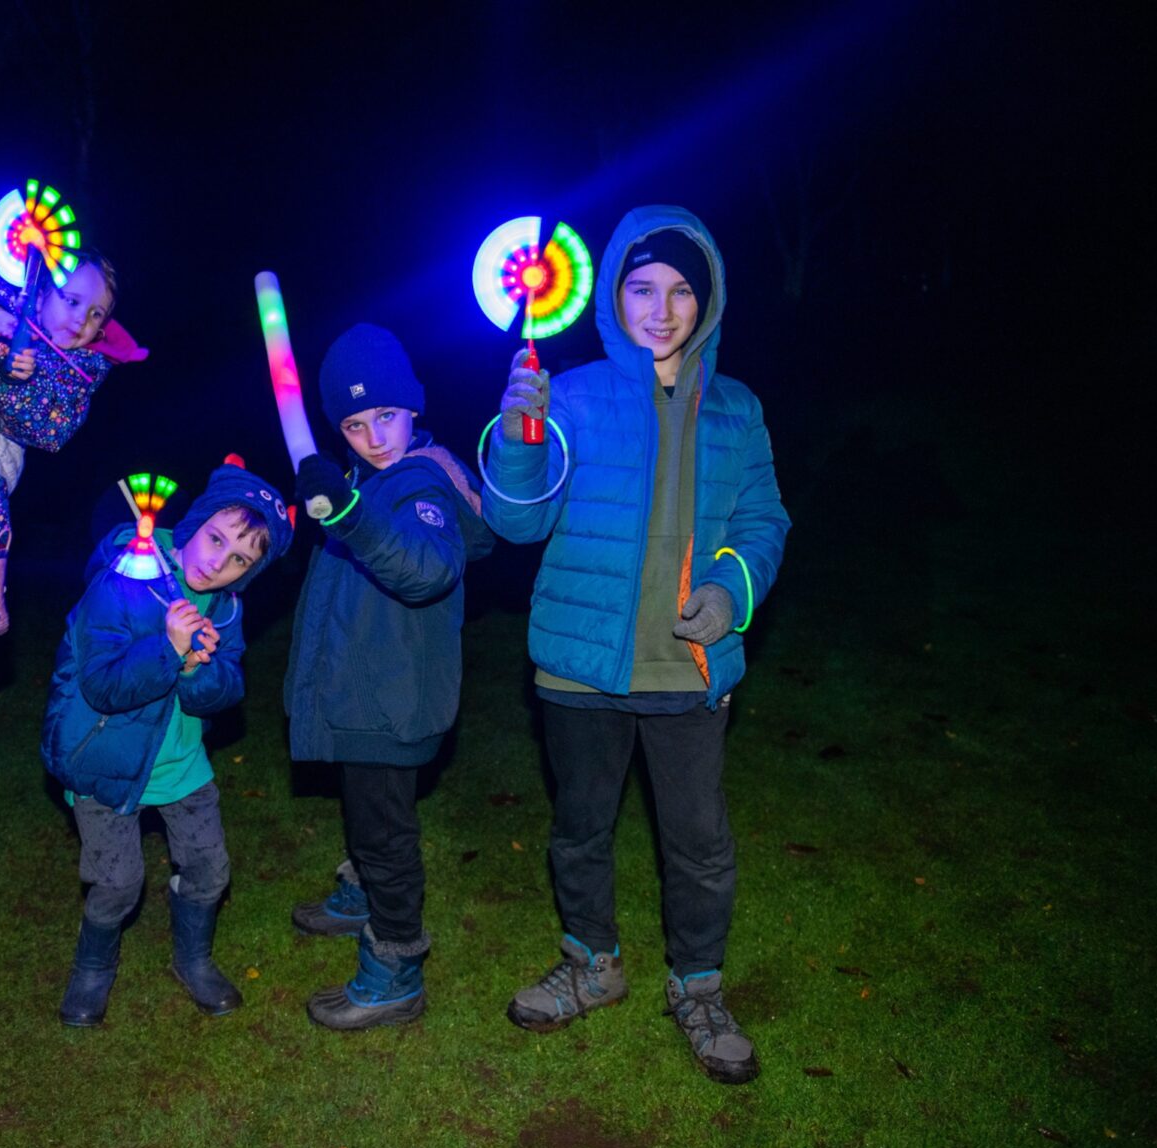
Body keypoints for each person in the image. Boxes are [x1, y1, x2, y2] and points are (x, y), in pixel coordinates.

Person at [481, 206, 789, 1084]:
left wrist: (731, 591)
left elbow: (766, 519)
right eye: (643, 288)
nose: (663, 308)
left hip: (686, 670)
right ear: (613, 293)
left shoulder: (736, 409)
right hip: (579, 664)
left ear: (710, 299)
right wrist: (516, 436)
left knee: (697, 840)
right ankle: (592, 962)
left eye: (683, 289)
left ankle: (697, 985)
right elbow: (516, 522)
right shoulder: (568, 394)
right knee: (580, 829)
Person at [285, 324, 494, 1030]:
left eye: (386, 416)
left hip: (391, 701)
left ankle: (396, 963)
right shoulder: (370, 479)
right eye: (354, 423)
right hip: (361, 695)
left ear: (415, 406)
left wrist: (349, 514)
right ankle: (361, 893)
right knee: (364, 814)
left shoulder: (418, 487)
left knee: (385, 832)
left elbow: (425, 569)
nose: (374, 435)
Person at [43, 458, 293, 1027]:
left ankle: (194, 960)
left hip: (182, 766)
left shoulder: (227, 610)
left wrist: (196, 668)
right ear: (196, 523)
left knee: (210, 868)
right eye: (214, 539)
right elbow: (103, 685)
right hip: (108, 761)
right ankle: (92, 970)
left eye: (240, 560)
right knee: (117, 881)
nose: (218, 563)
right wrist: (169, 649)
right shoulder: (126, 578)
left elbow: (226, 688)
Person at [0, 257, 148, 644]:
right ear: (43, 292)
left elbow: (48, 430)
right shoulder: (14, 307)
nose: (82, 319)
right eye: (71, 301)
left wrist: (21, 380)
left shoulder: (78, 372)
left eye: (96, 313)